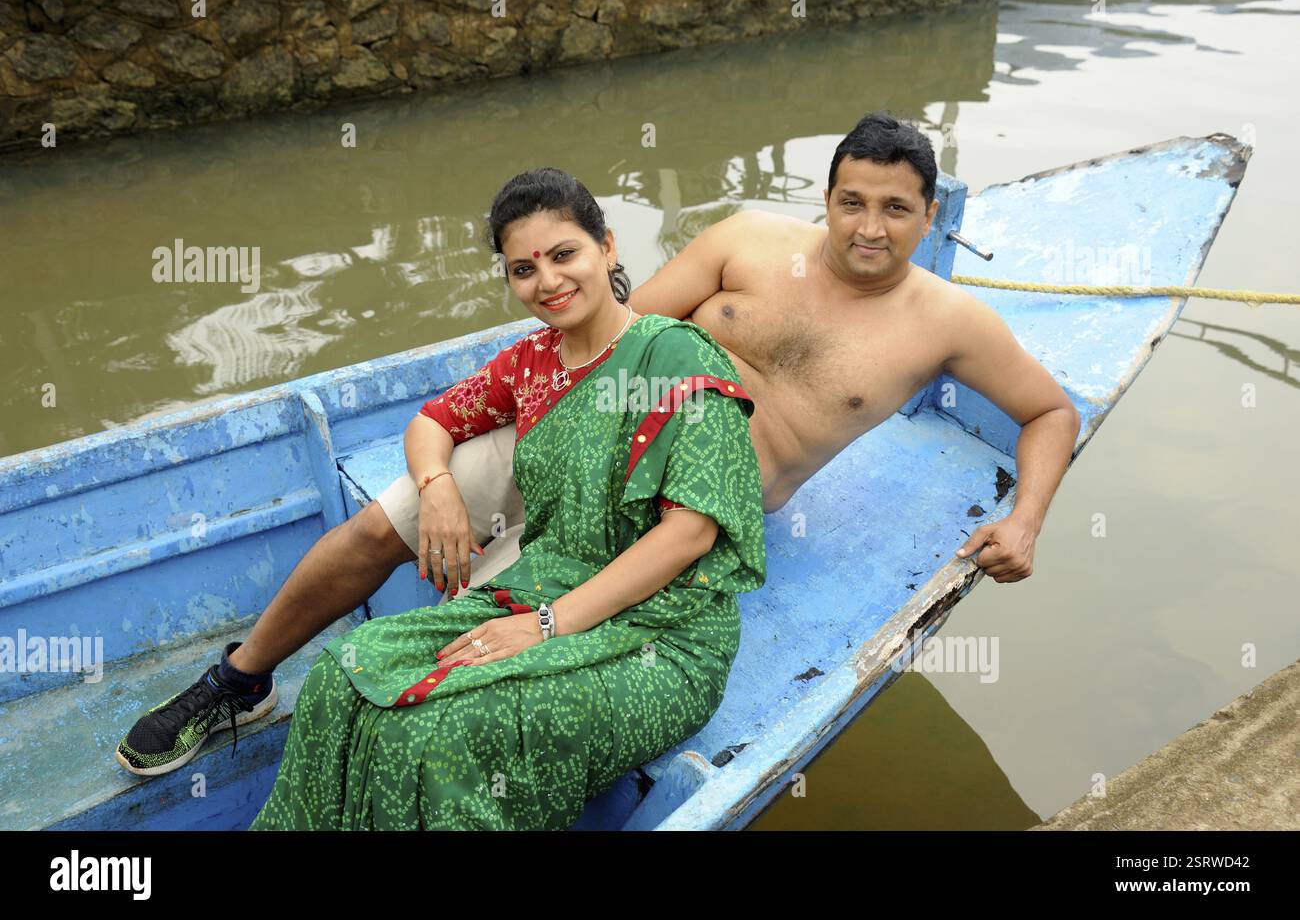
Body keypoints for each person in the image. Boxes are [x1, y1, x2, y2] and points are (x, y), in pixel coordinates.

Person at [116, 110, 1079, 783]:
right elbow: (606, 328)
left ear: (928, 213)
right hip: (584, 438)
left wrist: (1025, 518)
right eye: (852, 202)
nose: (869, 228)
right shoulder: (746, 239)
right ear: (824, 197)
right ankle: (238, 681)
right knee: (391, 525)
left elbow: (1049, 413)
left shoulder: (947, 321)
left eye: (896, 209)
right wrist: (467, 447)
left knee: (511, 653)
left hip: (688, 511)